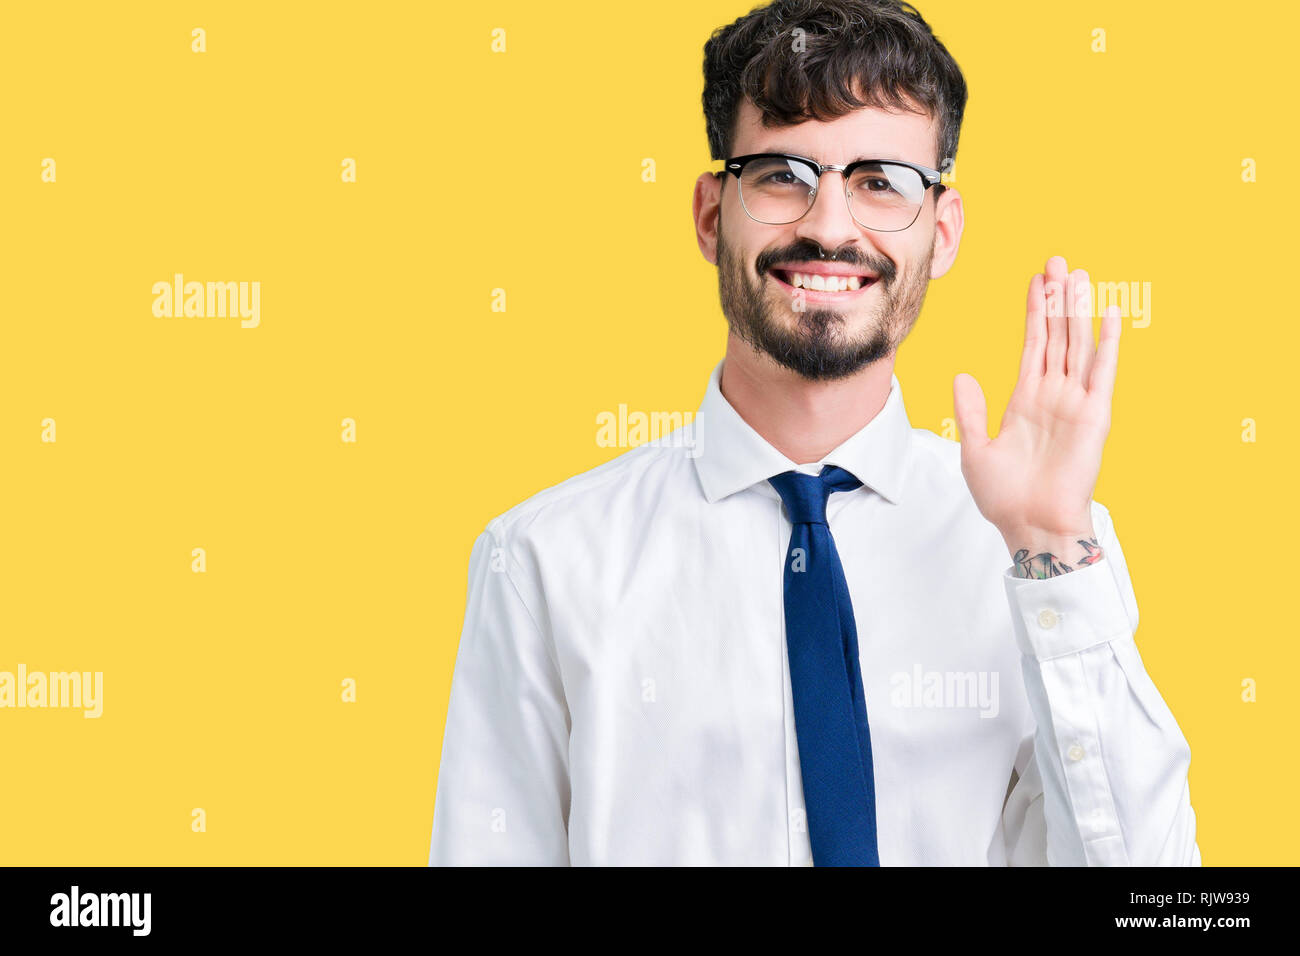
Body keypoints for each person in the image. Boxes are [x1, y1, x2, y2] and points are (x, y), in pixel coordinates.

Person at [428, 0, 1200, 866]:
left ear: (940, 234)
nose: (830, 227)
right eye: (783, 174)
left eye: (881, 182)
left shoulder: (1041, 559)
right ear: (711, 215)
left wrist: (1052, 547)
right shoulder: (541, 563)